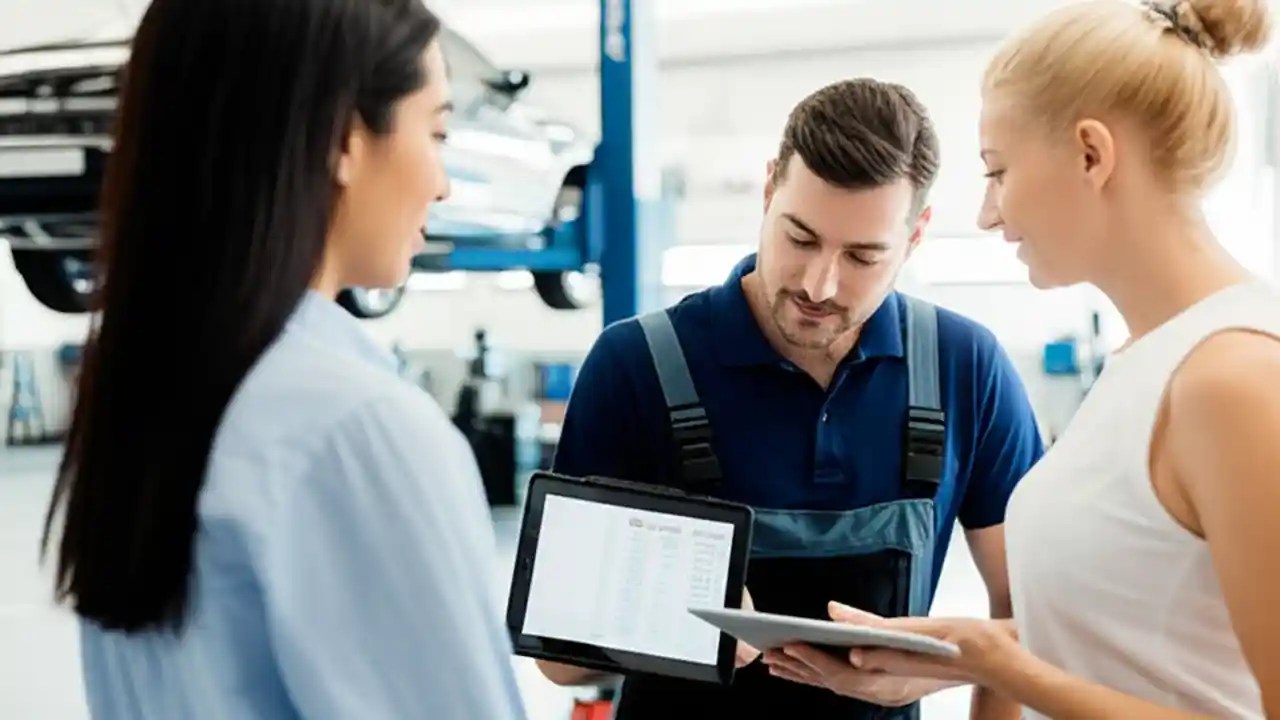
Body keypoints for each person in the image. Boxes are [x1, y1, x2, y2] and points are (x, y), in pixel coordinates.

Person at [783, 0, 1280, 718]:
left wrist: (1007, 670)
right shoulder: (1149, 361)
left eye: (999, 172)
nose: (988, 213)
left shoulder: (1232, 379)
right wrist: (959, 651)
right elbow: (1139, 641)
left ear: (1090, 155)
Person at [38, 1, 526, 718]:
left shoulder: (141, 399)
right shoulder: (357, 428)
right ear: (342, 138)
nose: (442, 183)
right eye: (436, 132)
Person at [537, 77, 1044, 718]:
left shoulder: (964, 367)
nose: (818, 284)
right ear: (769, 189)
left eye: (862, 257)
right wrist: (668, 613)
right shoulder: (634, 365)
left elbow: (1035, 618)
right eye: (800, 239)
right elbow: (558, 660)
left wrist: (932, 675)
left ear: (916, 235)